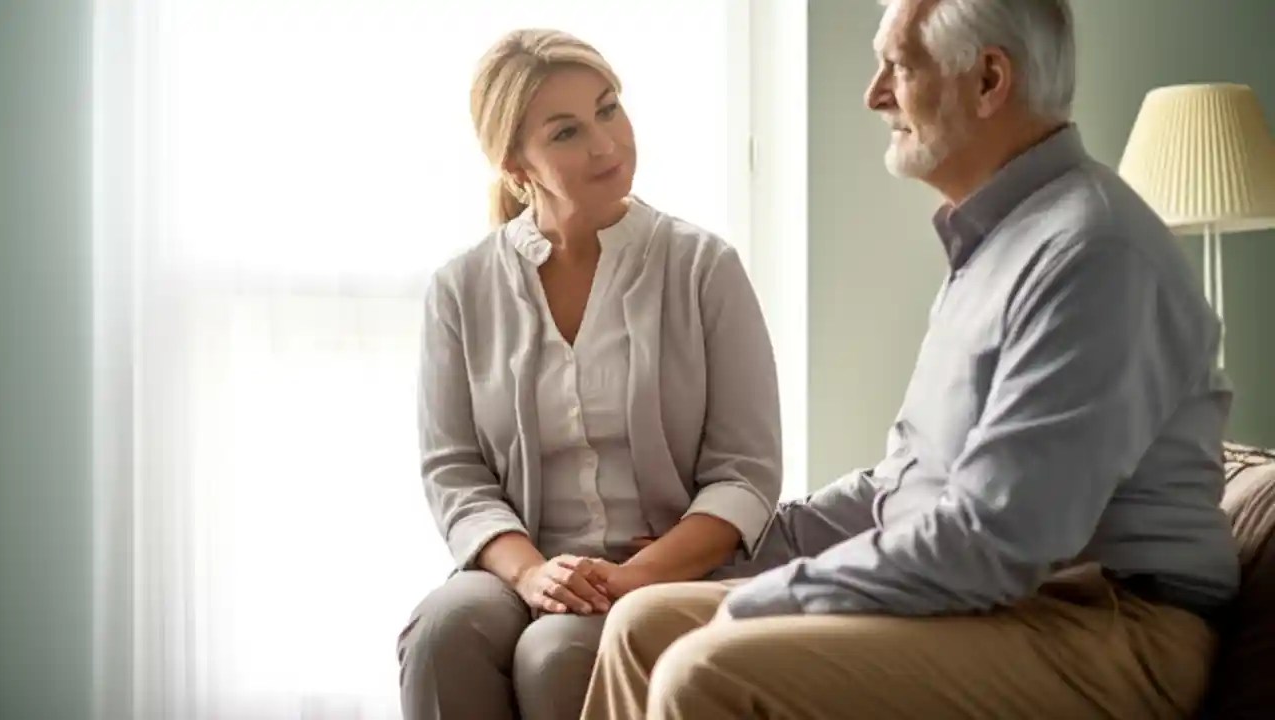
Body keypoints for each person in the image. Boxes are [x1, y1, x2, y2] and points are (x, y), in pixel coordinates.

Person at [580, 1, 1241, 718]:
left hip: (1109, 625)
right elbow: (905, 485)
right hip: (1013, 599)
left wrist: (761, 599)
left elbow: (992, 540)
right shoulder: (1002, 240)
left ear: (988, 80)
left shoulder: (1091, 254)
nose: (875, 95)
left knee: (704, 668)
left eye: (898, 66)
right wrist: (721, 551)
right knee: (642, 625)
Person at [395, 28, 782, 720]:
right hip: (518, 564)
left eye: (608, 109)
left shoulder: (704, 269)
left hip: (666, 568)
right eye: (567, 132)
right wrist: (531, 573)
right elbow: (454, 471)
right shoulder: (461, 289)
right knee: (441, 634)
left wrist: (635, 576)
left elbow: (745, 473)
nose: (607, 144)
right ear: (515, 164)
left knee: (558, 653)